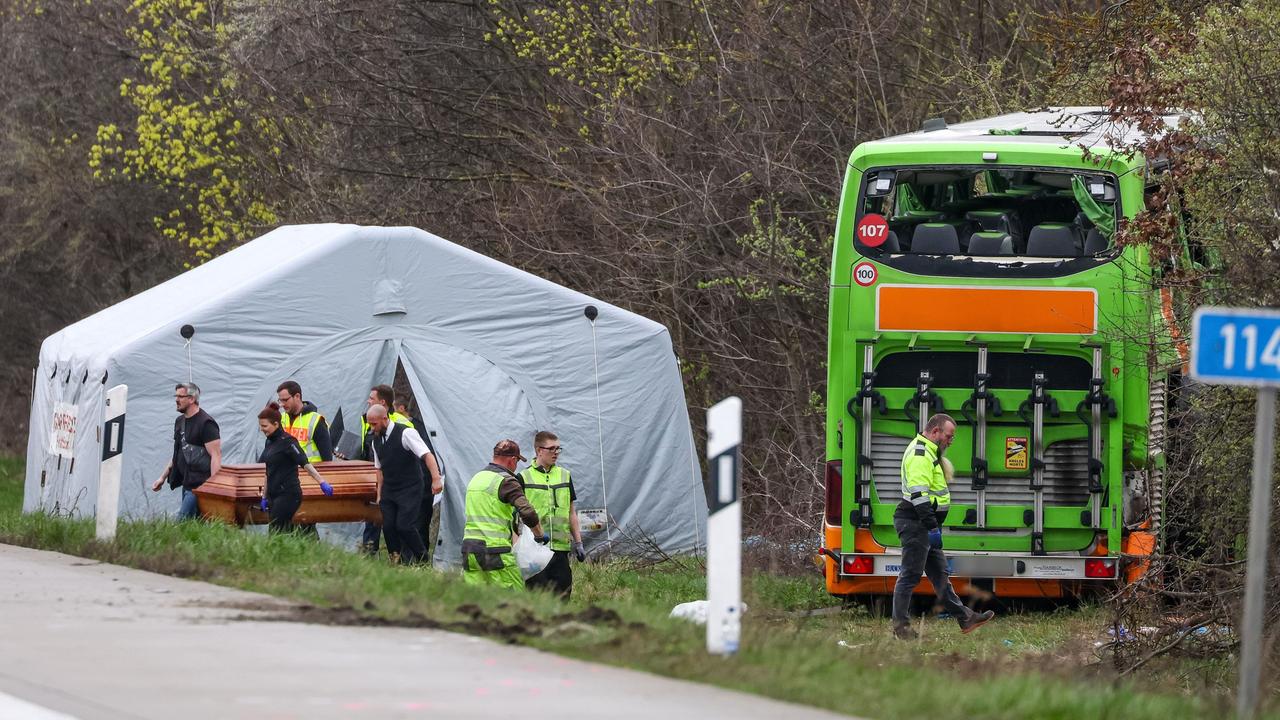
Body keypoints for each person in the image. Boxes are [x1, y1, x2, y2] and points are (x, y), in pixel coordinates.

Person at [892, 413, 995, 639]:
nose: (951, 441)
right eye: (949, 436)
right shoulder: (920, 454)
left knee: (940, 576)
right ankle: (901, 629)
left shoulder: (929, 451)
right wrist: (931, 528)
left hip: (925, 525)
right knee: (909, 576)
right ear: (936, 431)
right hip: (916, 523)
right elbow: (919, 496)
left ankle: (965, 617)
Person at [462, 439, 546, 589]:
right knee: (511, 599)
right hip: (496, 552)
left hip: (470, 550)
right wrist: (539, 534)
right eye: (517, 462)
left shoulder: (476, 478)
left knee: (475, 599)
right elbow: (527, 512)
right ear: (513, 460)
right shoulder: (507, 481)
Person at [367, 404, 441, 564]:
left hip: (410, 487)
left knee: (404, 526)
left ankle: (423, 559)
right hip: (389, 489)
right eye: (370, 424)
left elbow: (427, 455)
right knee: (388, 527)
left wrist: (436, 479)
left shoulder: (406, 433)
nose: (372, 428)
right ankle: (396, 560)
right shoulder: (375, 440)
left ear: (385, 419)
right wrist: (380, 494)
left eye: (374, 424)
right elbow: (379, 470)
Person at [519, 430, 585, 598]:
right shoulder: (524, 477)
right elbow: (515, 517)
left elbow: (571, 512)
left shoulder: (565, 475)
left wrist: (578, 542)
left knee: (563, 596)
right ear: (539, 450)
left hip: (560, 548)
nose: (556, 453)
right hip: (536, 550)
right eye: (551, 449)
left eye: (558, 449)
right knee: (537, 599)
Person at [357, 385, 418, 555]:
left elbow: (415, 455)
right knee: (378, 521)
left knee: (402, 525)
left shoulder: (402, 425)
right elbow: (368, 449)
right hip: (377, 478)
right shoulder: (367, 421)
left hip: (402, 483)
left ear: (382, 403)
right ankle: (374, 554)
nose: (368, 401)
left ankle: (411, 559)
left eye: (371, 398)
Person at [256, 402, 334, 533]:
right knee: (280, 532)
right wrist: (264, 496)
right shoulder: (269, 441)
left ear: (276, 424)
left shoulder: (288, 442)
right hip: (273, 495)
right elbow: (268, 472)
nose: (262, 429)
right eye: (260, 426)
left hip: (288, 494)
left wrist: (322, 482)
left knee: (276, 532)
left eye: (264, 426)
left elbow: (305, 463)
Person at [151, 383, 222, 520]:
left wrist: (214, 488)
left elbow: (216, 456)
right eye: (176, 396)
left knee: (181, 523)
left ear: (192, 399)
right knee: (194, 529)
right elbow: (178, 453)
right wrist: (162, 477)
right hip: (187, 484)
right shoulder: (179, 421)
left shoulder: (206, 423)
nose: (176, 400)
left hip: (201, 486)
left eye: (180, 396)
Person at [395, 397, 446, 556]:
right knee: (413, 523)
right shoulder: (416, 428)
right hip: (416, 486)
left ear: (402, 408)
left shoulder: (413, 430)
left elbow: (426, 457)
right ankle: (413, 558)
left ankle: (416, 558)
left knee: (417, 524)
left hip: (421, 485)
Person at [275, 380, 333, 463]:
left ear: (297, 396)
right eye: (280, 400)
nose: (282, 404)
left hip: (310, 473)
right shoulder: (281, 418)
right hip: (287, 473)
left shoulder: (316, 420)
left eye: (285, 400)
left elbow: (327, 459)